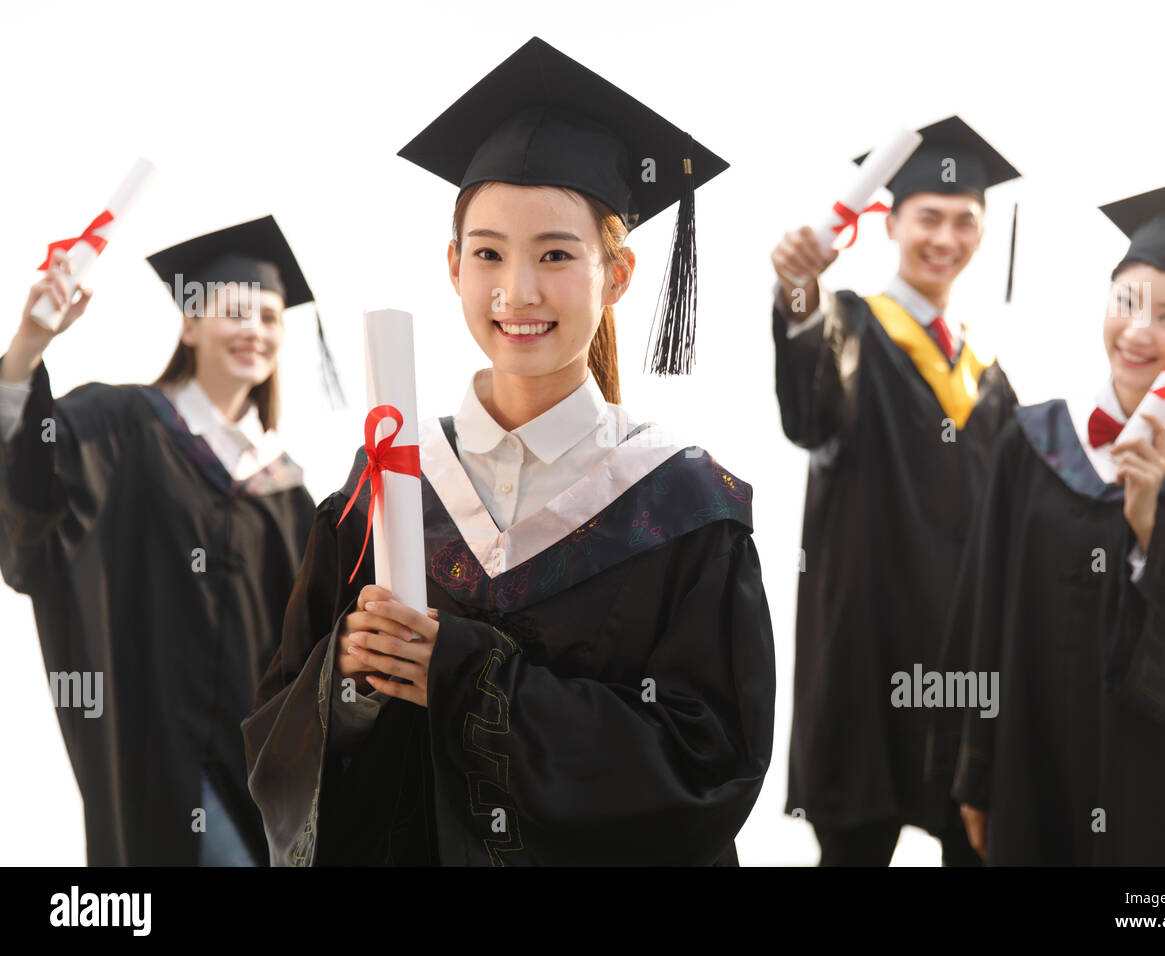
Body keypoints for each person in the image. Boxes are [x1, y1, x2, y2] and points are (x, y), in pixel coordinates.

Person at [243, 36, 777, 867]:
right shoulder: (389, 482)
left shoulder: (683, 507)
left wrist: (463, 679)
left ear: (620, 274)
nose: (517, 291)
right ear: (453, 268)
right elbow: (279, 720)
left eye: (557, 255)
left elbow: (709, 770)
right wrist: (346, 680)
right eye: (488, 252)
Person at [938, 176, 1165, 865]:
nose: (1137, 330)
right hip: (1029, 778)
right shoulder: (1032, 441)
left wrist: (1151, 528)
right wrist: (975, 777)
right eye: (1126, 300)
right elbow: (981, 619)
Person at [0, 215, 337, 865]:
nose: (253, 330)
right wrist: (28, 346)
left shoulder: (286, 492)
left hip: (258, 768)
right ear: (189, 325)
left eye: (269, 318)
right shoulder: (117, 427)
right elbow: (25, 491)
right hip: (150, 752)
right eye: (233, 311)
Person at [771, 116, 1021, 865]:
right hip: (867, 651)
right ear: (890, 221)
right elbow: (808, 416)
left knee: (978, 844)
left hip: (964, 663)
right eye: (929, 217)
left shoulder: (989, 374)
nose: (946, 237)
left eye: (964, 221)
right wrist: (797, 291)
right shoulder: (847, 326)